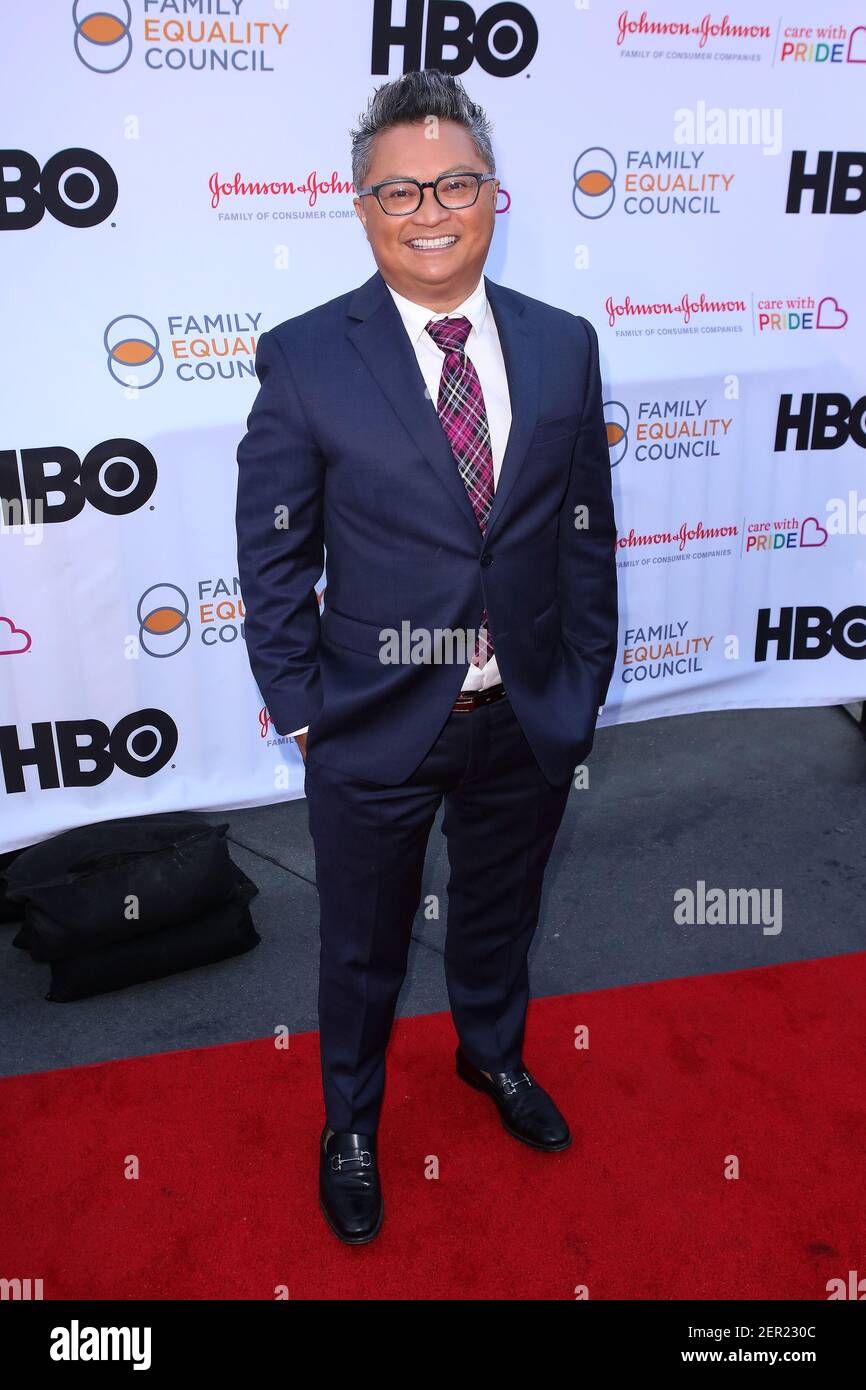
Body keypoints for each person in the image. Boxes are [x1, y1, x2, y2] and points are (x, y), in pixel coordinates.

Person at [235, 69, 618, 1245]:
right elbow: (274, 550)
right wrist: (304, 707)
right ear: (361, 209)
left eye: (453, 180)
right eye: (398, 190)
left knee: (500, 911)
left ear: (492, 194)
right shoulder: (305, 357)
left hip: (526, 708)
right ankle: (348, 1121)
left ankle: (488, 1056)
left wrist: (582, 673)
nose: (429, 207)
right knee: (361, 942)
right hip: (374, 718)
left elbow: (581, 528)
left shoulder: (561, 346)